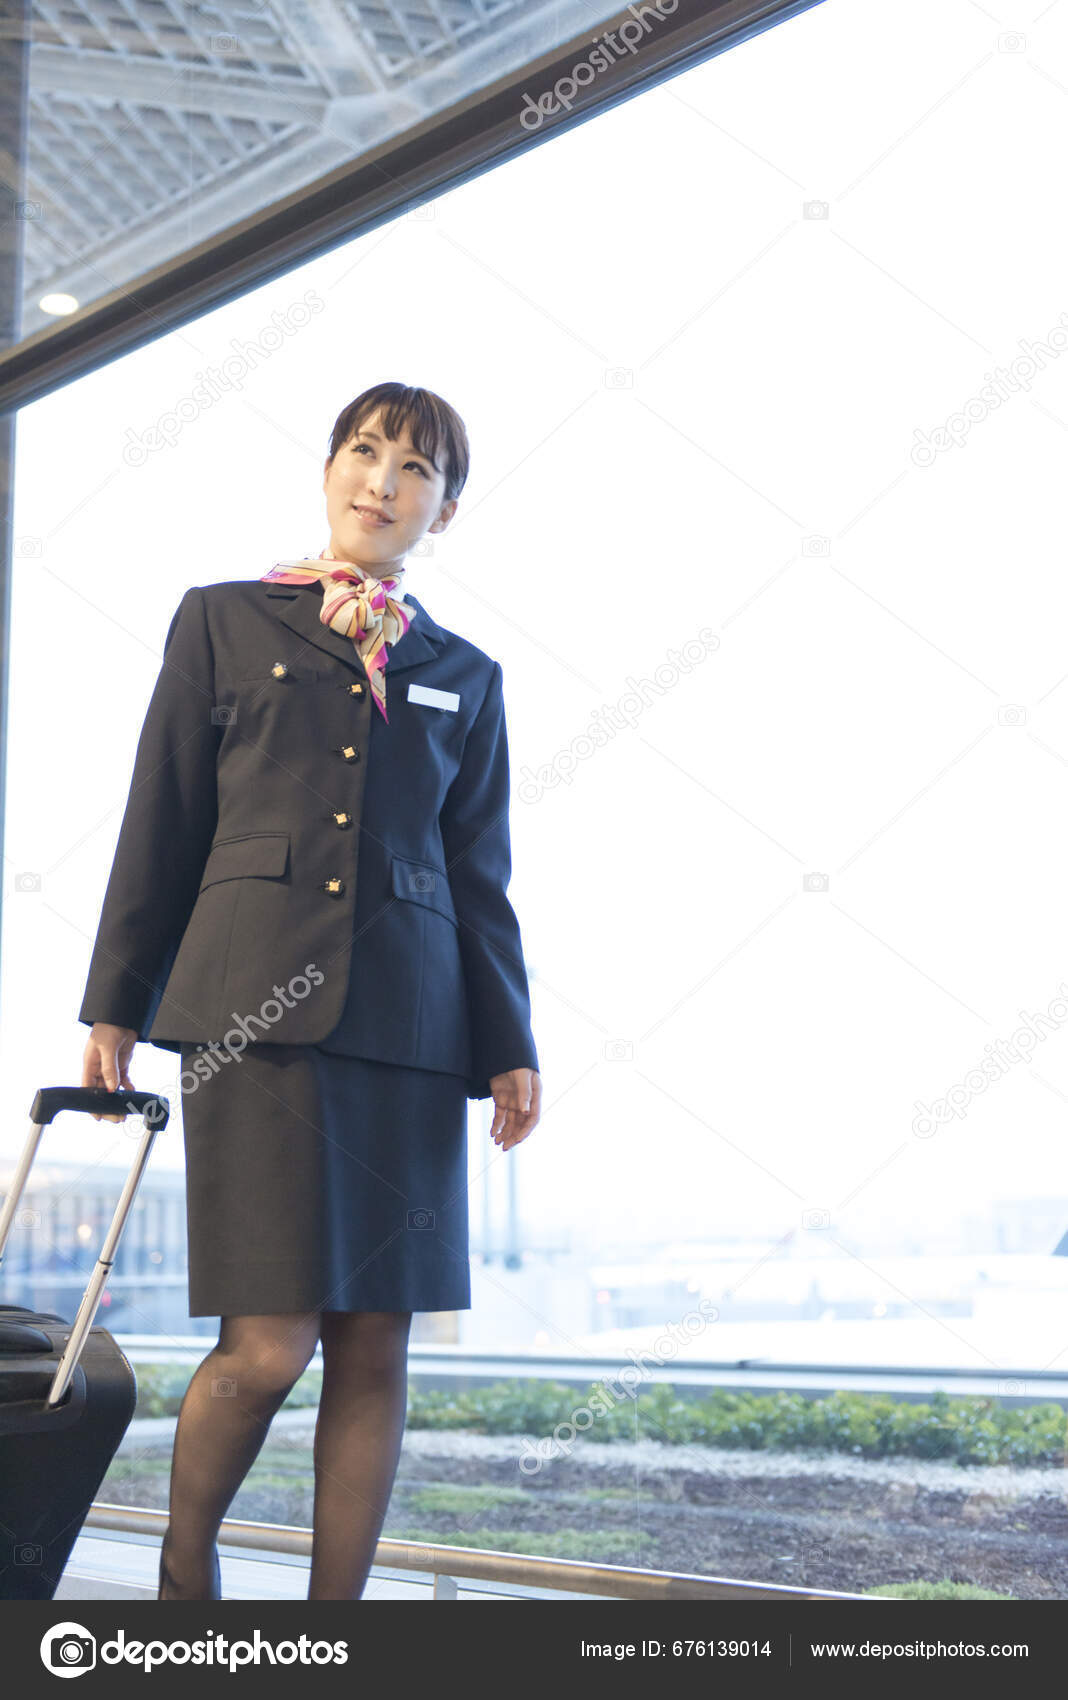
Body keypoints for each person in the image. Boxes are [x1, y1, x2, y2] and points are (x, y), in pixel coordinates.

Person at [78, 381, 542, 1600]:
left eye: (415, 468)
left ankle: (336, 1633)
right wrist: (114, 1002)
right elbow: (161, 821)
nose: (382, 480)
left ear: (445, 508)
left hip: (413, 1025)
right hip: (250, 1022)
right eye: (364, 450)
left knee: (376, 1343)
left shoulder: (466, 673)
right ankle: (189, 1568)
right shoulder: (223, 621)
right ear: (330, 466)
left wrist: (509, 1043)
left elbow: (479, 875)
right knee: (268, 1342)